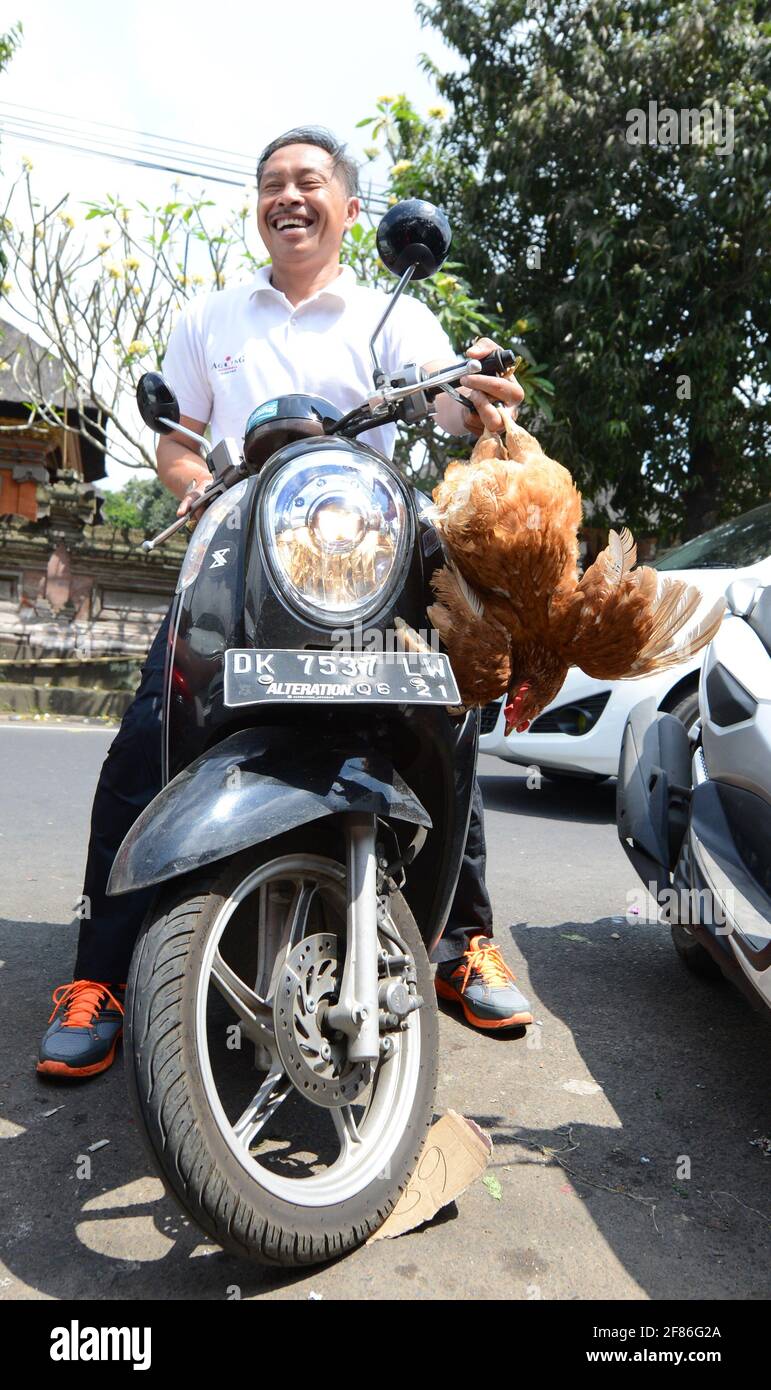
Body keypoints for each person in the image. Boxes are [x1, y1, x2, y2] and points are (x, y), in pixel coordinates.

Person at [37, 127, 531, 1080]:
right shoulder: (212, 318)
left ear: (350, 209)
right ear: (257, 207)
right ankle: (99, 977)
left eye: (311, 182)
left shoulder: (392, 315)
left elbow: (458, 406)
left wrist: (481, 391)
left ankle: (460, 941)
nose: (289, 197)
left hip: (366, 560)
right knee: (151, 731)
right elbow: (177, 437)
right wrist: (187, 477)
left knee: (445, 716)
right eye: (272, 184)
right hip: (237, 551)